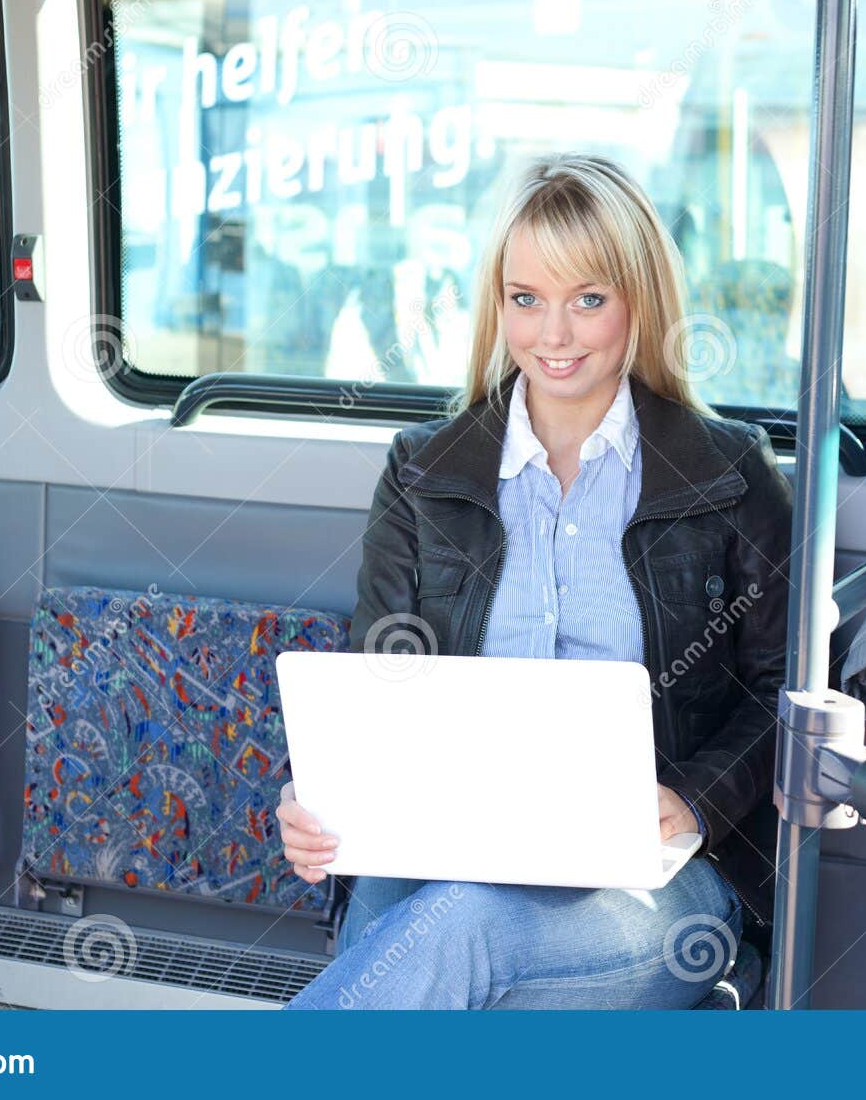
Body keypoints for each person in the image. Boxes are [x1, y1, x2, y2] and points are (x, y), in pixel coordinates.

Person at [277, 152, 792, 1009]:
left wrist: (694, 797)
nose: (553, 334)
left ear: (639, 300)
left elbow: (786, 690)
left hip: (658, 876)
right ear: (498, 303)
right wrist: (313, 795)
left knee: (461, 930)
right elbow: (376, 685)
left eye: (588, 299)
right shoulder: (422, 472)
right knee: (427, 927)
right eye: (526, 299)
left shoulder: (731, 474)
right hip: (442, 840)